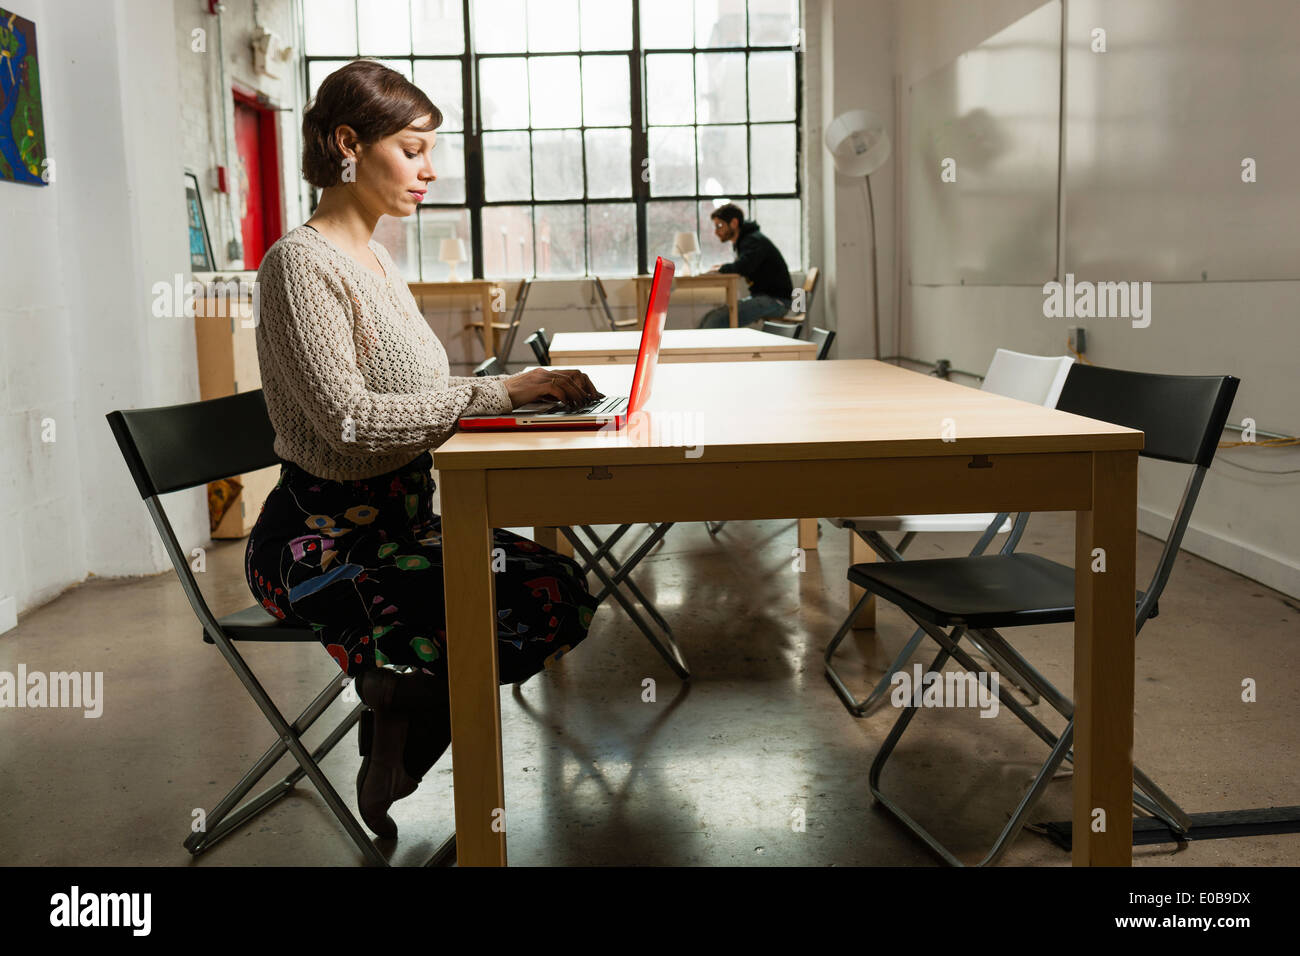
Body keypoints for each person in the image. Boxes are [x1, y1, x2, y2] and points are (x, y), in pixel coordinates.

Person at [244, 58, 605, 840]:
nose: (430, 170)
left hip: (406, 526)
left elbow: (411, 399)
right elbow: (350, 426)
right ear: (348, 143)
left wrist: (515, 390)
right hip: (322, 542)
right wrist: (502, 394)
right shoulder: (299, 266)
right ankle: (410, 720)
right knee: (492, 607)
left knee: (556, 588)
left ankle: (404, 712)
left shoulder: (376, 260)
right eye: (413, 150)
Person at [697, 203, 794, 329]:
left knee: (715, 321)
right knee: (711, 318)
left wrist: (721, 269)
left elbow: (742, 267)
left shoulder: (753, 241)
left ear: (734, 223)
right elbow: (743, 265)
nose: (716, 231)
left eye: (719, 225)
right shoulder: (748, 240)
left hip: (777, 301)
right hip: (766, 299)